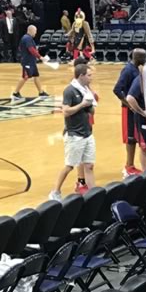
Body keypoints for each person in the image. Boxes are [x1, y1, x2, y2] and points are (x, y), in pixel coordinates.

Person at [53, 59, 96, 198]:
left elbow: (91, 111)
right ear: (81, 75)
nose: (91, 77)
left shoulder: (86, 90)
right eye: (89, 75)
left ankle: (92, 193)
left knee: (89, 165)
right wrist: (82, 105)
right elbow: (65, 111)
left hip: (87, 132)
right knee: (69, 166)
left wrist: (91, 106)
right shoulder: (69, 91)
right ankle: (55, 192)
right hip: (74, 134)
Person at [113, 49, 146, 174]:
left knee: (136, 136)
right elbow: (117, 89)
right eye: (144, 58)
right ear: (138, 58)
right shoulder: (128, 70)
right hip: (128, 109)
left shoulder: (137, 69)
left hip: (136, 108)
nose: (145, 60)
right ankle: (128, 166)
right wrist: (129, 105)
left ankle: (131, 165)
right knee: (130, 137)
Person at [10, 24, 48, 101]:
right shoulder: (27, 38)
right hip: (27, 62)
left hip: (31, 61)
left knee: (36, 75)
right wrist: (40, 57)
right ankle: (15, 93)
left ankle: (41, 92)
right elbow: (31, 49)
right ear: (31, 30)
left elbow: (21, 48)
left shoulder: (27, 38)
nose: (36, 33)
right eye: (35, 31)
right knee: (25, 77)